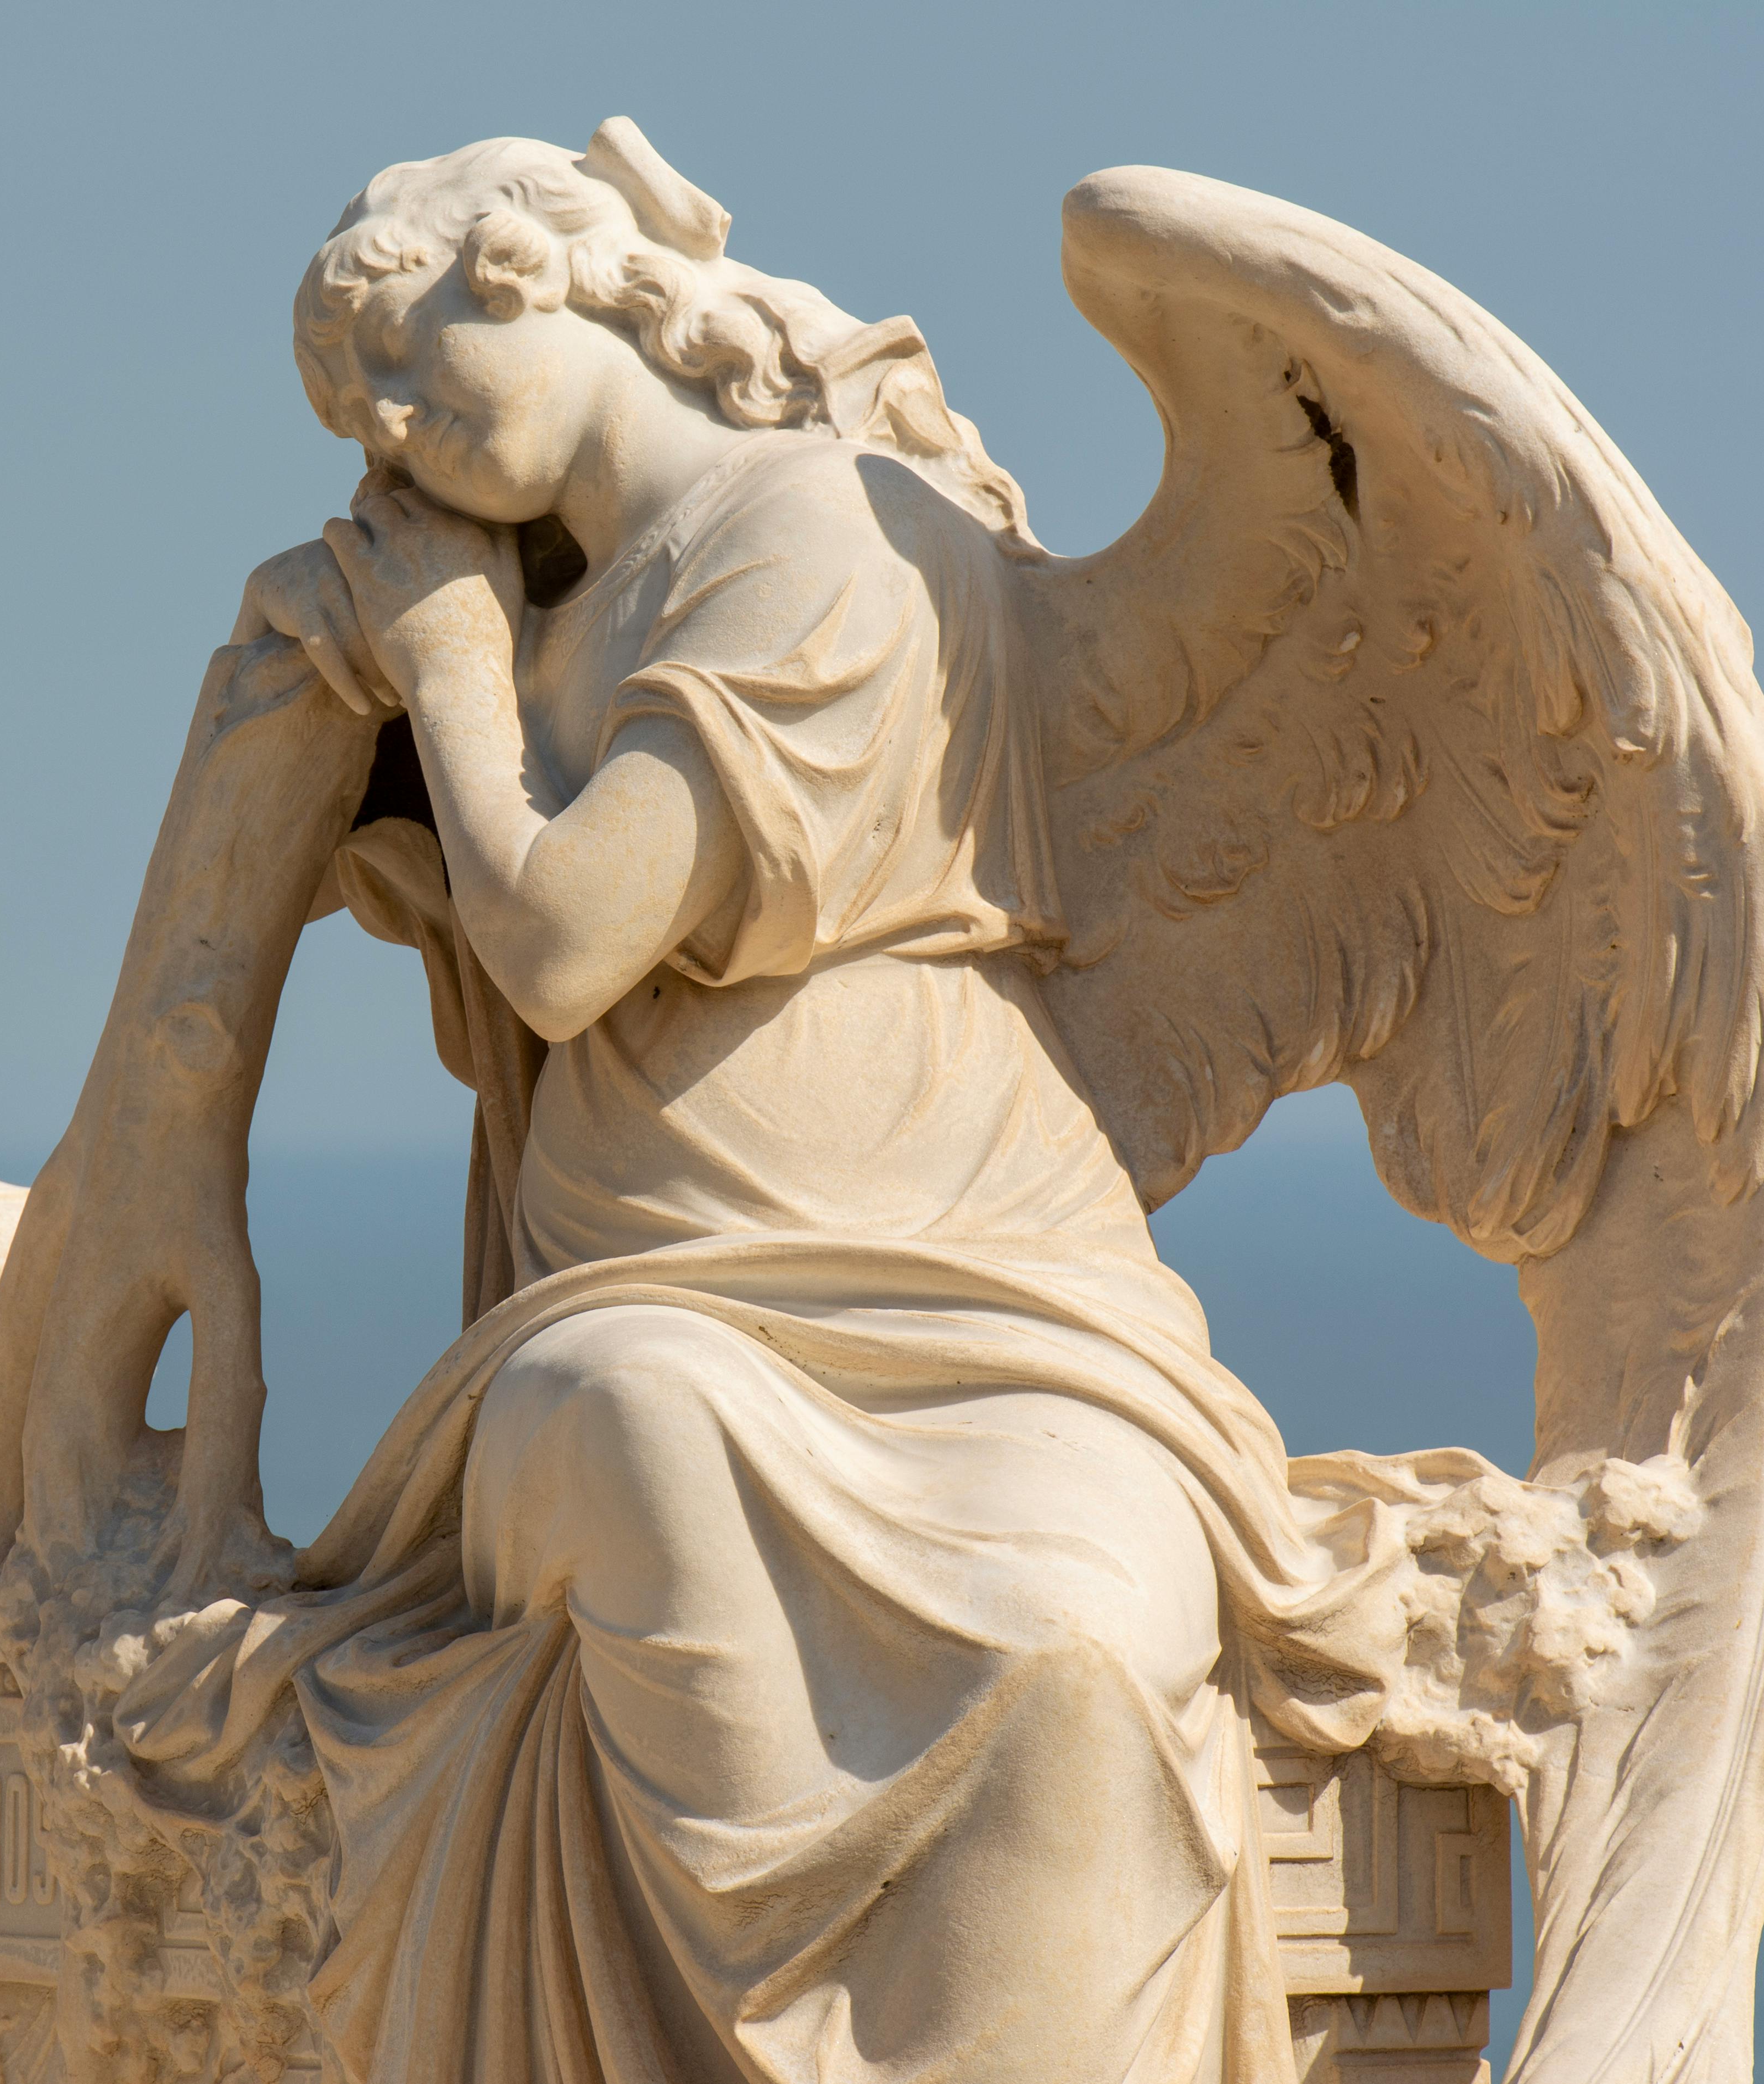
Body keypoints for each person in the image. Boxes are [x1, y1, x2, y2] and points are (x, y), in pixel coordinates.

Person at [159, 130, 1375, 2084]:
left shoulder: (817, 532)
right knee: (624, 1417)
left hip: (989, 1310)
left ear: (538, 275)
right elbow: (278, 876)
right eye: (345, 406)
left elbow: (557, 940)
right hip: (639, 1312)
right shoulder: (541, 603)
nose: (380, 430)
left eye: (398, 358)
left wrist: (452, 667)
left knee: (1069, 1653)